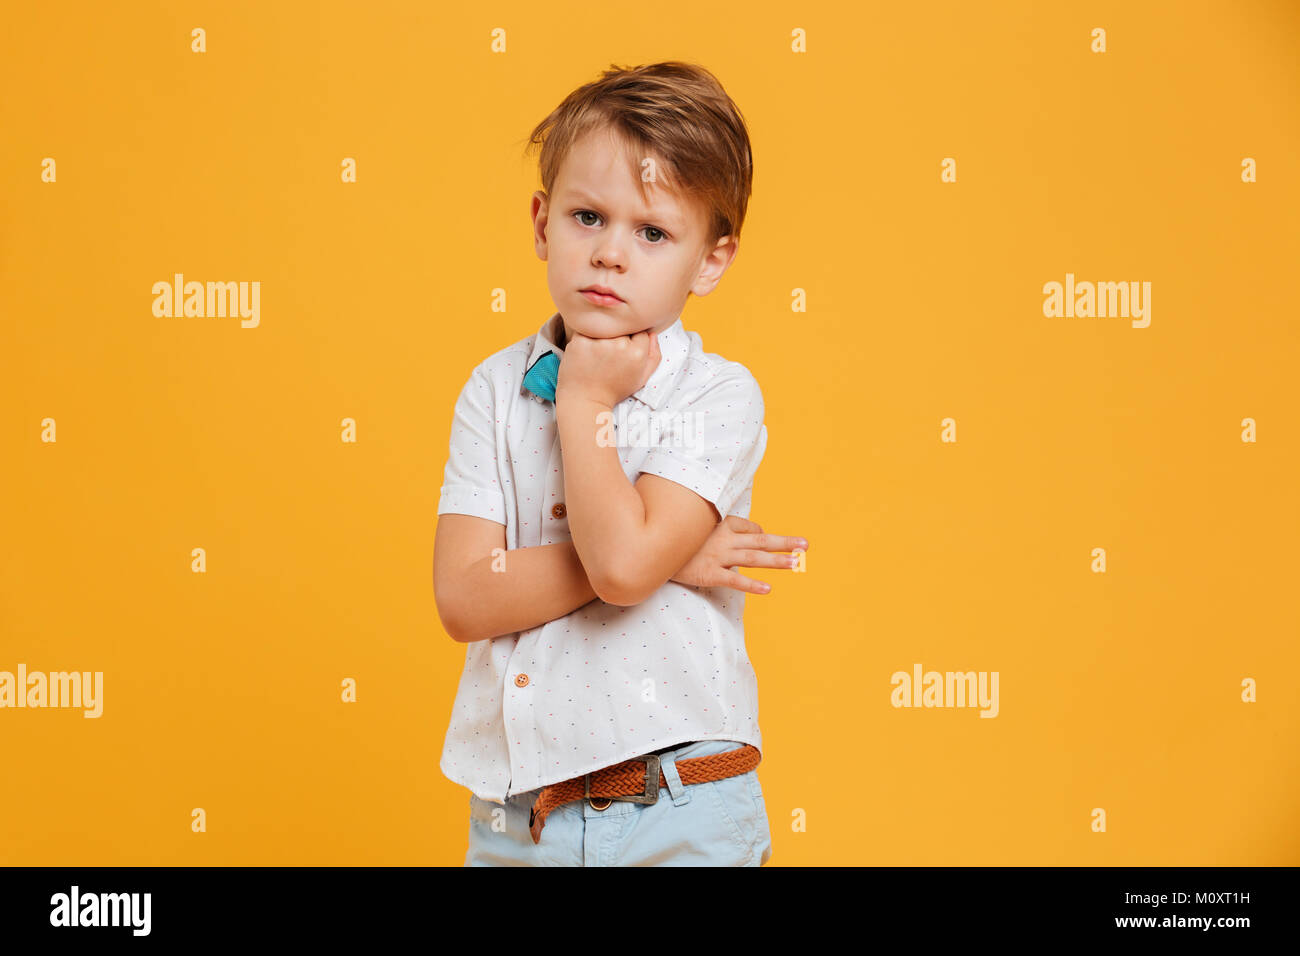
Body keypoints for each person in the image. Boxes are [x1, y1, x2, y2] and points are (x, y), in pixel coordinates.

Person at [433, 61, 808, 866]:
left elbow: (627, 570)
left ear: (710, 260)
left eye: (653, 233)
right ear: (542, 223)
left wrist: (585, 406)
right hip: (518, 816)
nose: (610, 254)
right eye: (588, 217)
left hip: (680, 800)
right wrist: (674, 558)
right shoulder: (494, 391)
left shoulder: (716, 395)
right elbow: (464, 596)